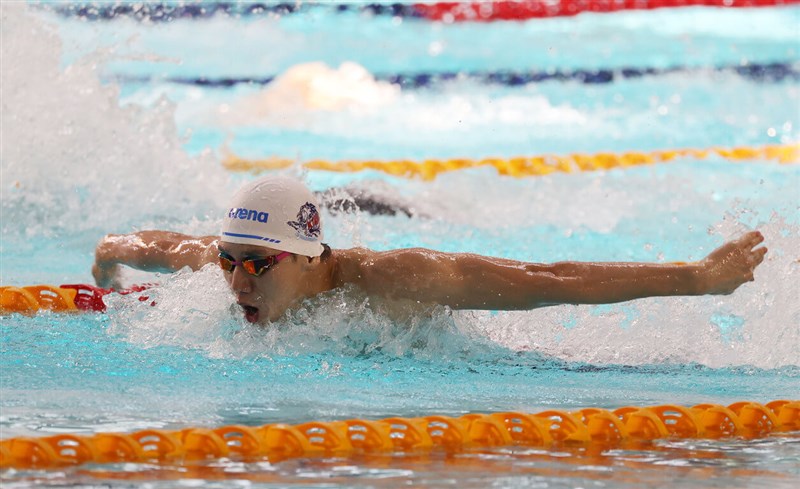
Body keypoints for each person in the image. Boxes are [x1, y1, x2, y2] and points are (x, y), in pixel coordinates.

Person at [93, 175, 767, 324]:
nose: (236, 280)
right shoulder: (230, 263)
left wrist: (694, 276)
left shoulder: (395, 277)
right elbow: (166, 244)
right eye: (228, 260)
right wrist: (110, 252)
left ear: (305, 254)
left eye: (256, 263)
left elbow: (545, 276)